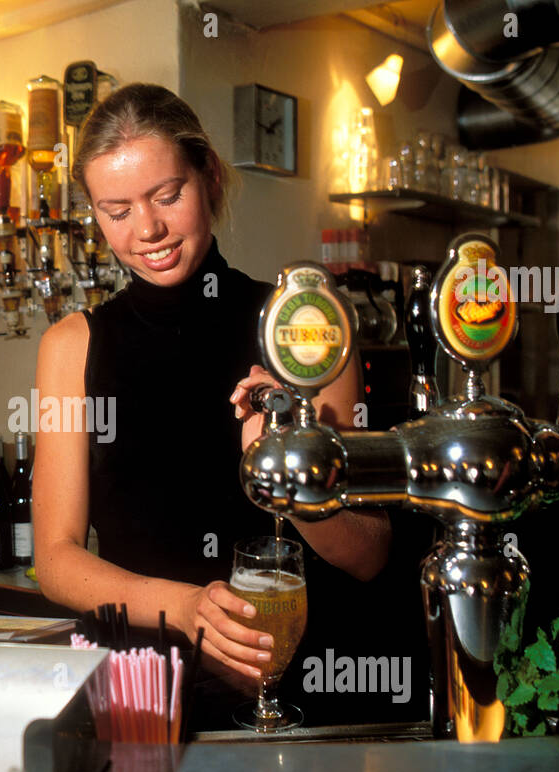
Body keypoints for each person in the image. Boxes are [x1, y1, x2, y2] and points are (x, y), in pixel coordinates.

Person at [34, 84, 411, 720]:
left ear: (208, 175)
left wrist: (289, 469)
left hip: (303, 688)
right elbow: (57, 558)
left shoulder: (306, 327)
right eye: (116, 209)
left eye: (166, 195)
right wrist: (184, 608)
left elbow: (370, 554)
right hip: (150, 692)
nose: (147, 229)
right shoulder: (71, 347)